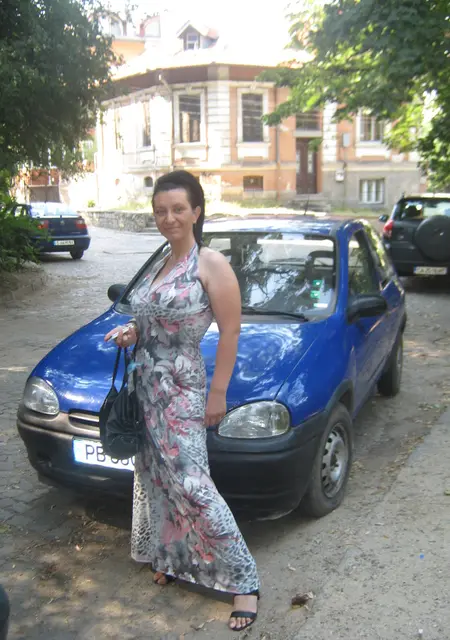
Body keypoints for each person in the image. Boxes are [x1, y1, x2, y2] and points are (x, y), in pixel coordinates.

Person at [105, 170, 259, 632]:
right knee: (155, 478)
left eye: (177, 209)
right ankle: (172, 558)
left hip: (182, 391)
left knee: (193, 484)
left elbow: (230, 331)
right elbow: (150, 319)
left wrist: (219, 393)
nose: (168, 218)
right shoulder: (159, 262)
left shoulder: (209, 263)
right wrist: (131, 331)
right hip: (145, 389)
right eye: (160, 211)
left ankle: (244, 582)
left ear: (196, 212)